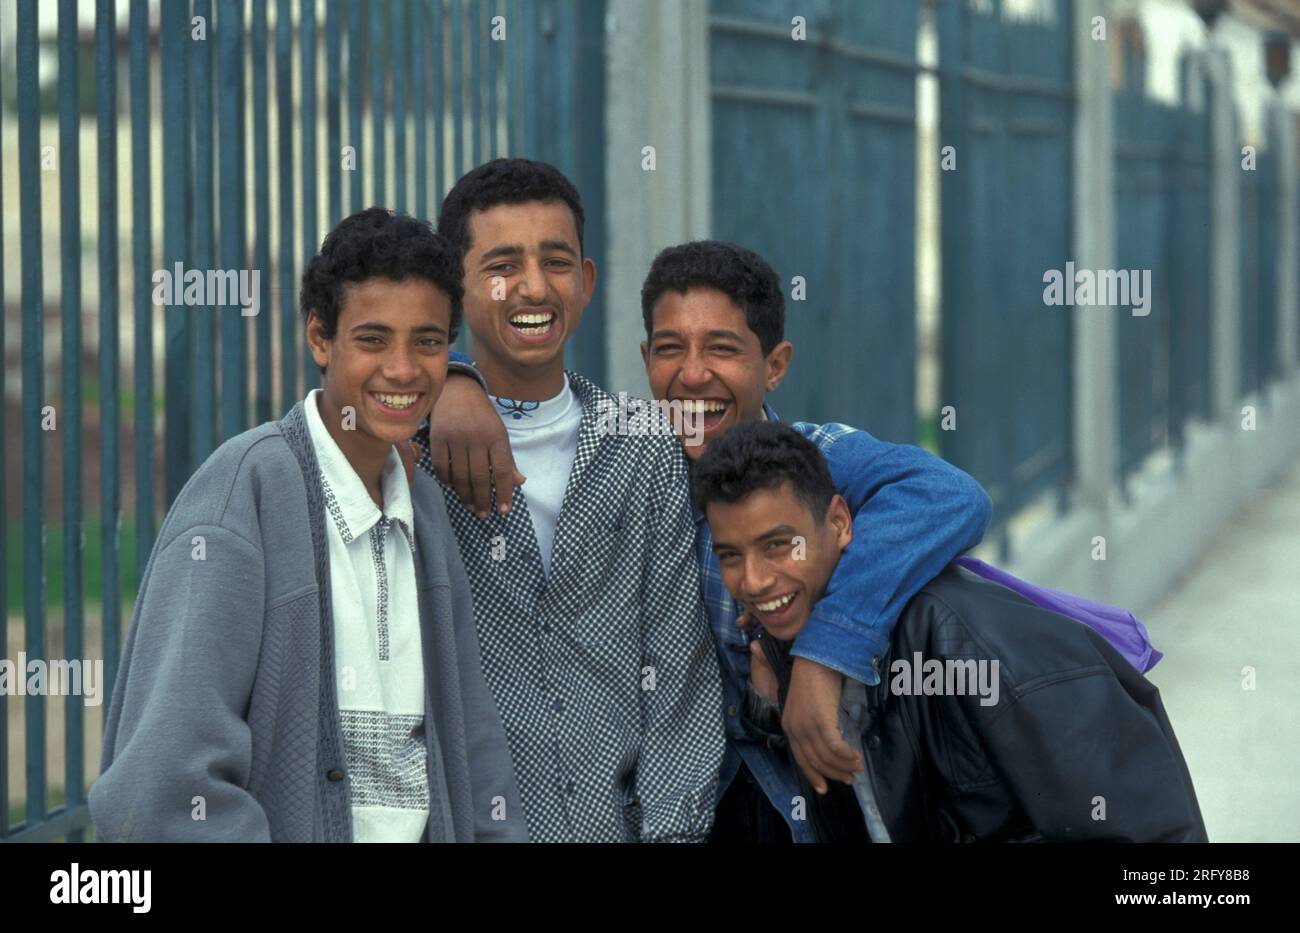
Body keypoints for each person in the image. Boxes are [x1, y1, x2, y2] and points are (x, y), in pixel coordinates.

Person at [429, 233, 992, 842]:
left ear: (774, 365)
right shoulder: (631, 462)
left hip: (818, 795)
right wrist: (456, 381)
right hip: (683, 804)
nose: (693, 376)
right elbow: (515, 406)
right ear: (646, 358)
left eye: (722, 349)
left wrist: (823, 655)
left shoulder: (810, 461)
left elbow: (948, 496)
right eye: (670, 349)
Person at [91, 207, 526, 842]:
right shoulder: (243, 497)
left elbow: (474, 751)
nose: (403, 369)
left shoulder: (424, 510)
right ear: (320, 338)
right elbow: (164, 785)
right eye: (373, 339)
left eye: (427, 342)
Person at [693, 420, 1209, 843]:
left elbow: (1155, 833)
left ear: (841, 523)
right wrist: (766, 701)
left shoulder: (965, 641)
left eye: (779, 545)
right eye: (731, 556)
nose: (754, 580)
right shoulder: (788, 655)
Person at [412, 159, 724, 842]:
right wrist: (450, 380)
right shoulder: (412, 458)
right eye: (503, 265)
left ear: (585, 282)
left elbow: (679, 677)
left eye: (555, 262)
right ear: (455, 289)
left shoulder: (646, 447)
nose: (533, 286)